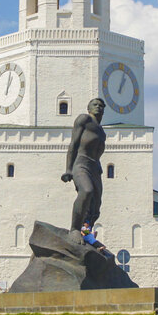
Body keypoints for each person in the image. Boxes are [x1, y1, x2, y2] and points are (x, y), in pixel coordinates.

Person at [61, 98, 107, 231]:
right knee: (86, 191)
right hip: (81, 164)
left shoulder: (101, 131)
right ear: (89, 108)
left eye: (101, 106)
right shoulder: (84, 120)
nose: (98, 107)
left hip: (95, 168)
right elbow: (74, 144)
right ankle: (74, 229)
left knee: (95, 207)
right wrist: (68, 169)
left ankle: (85, 233)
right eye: (95, 104)